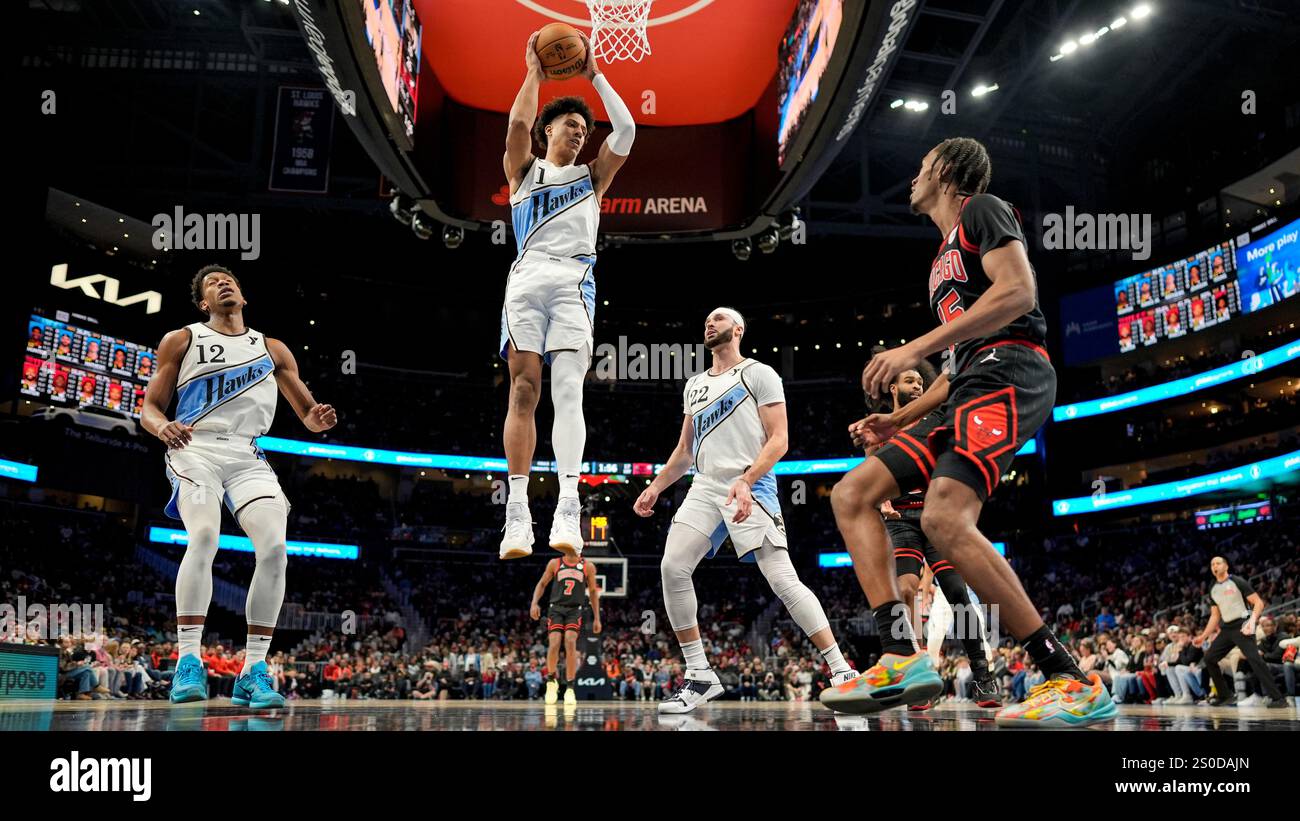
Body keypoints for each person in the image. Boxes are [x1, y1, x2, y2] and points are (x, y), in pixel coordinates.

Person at [826, 137, 1116, 727]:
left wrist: (913, 348)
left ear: (947, 173)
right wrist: (900, 417)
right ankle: (900, 655)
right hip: (969, 384)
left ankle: (1069, 678)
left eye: (921, 167)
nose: (912, 177)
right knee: (851, 495)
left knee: (943, 520)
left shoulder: (981, 210)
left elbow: (1020, 293)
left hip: (1012, 371)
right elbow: (959, 360)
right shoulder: (939, 258)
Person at [634, 308, 859, 714]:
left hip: (750, 483)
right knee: (672, 566)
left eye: (718, 318)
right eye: (705, 319)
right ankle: (700, 674)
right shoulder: (695, 385)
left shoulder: (759, 373)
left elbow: (780, 440)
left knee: (783, 580)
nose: (709, 322)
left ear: (738, 329)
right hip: (704, 486)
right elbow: (685, 451)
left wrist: (747, 480)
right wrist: (655, 486)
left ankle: (841, 669)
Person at [141, 264, 337, 709]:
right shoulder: (182, 339)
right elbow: (150, 407)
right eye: (212, 283)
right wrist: (161, 427)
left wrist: (317, 419)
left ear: (243, 296)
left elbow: (306, 414)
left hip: (247, 453)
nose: (223, 283)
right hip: (194, 445)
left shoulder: (271, 348)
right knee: (205, 535)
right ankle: (189, 661)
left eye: (229, 280)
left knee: (273, 550)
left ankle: (253, 671)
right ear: (203, 303)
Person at [497, 30, 635, 560]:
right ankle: (516, 512)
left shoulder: (593, 178)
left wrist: (595, 72)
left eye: (583, 129)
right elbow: (515, 125)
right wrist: (533, 70)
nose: (578, 134)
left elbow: (626, 128)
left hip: (576, 280)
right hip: (527, 278)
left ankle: (569, 504)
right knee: (524, 392)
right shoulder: (523, 171)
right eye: (570, 126)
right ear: (547, 129)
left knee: (570, 391)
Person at [857, 356, 999, 709]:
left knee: (955, 591)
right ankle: (918, 675)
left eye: (921, 381)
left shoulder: (936, 418)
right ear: (893, 388)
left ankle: (983, 675)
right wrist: (880, 503)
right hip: (902, 520)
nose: (918, 385)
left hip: (936, 517)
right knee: (905, 588)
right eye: (910, 381)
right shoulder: (883, 428)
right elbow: (872, 473)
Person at [1192, 557, 1287, 707]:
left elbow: (1258, 603)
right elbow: (1215, 615)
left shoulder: (1237, 581)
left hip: (1243, 624)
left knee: (1255, 660)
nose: (1215, 566)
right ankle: (1225, 695)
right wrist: (1203, 636)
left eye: (1218, 563)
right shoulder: (1213, 589)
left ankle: (1279, 699)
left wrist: (1252, 621)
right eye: (1212, 564)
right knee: (1210, 658)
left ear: (1226, 566)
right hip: (1227, 628)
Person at [528, 554, 602, 705]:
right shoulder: (555, 563)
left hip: (575, 610)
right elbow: (542, 584)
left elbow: (593, 592)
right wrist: (534, 603)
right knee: (554, 643)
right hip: (556, 608)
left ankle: (570, 687)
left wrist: (597, 617)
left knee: (570, 642)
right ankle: (551, 681)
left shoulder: (588, 566)